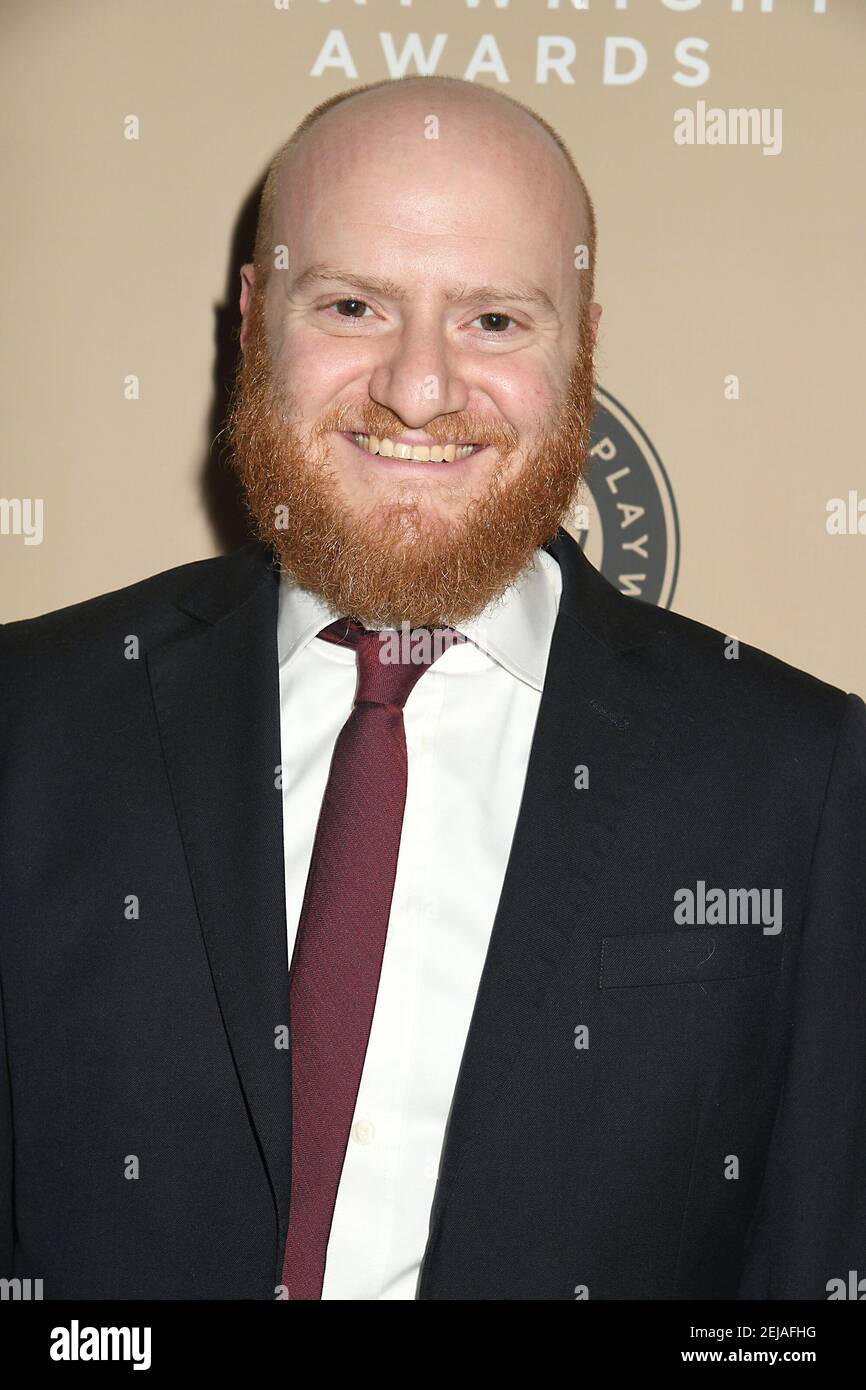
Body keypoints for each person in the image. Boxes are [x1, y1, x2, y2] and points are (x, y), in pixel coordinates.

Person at [1, 75, 864, 1301]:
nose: (417, 389)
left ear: (583, 349)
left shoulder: (801, 776)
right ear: (253, 322)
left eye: (494, 322)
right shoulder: (28, 723)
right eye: (352, 305)